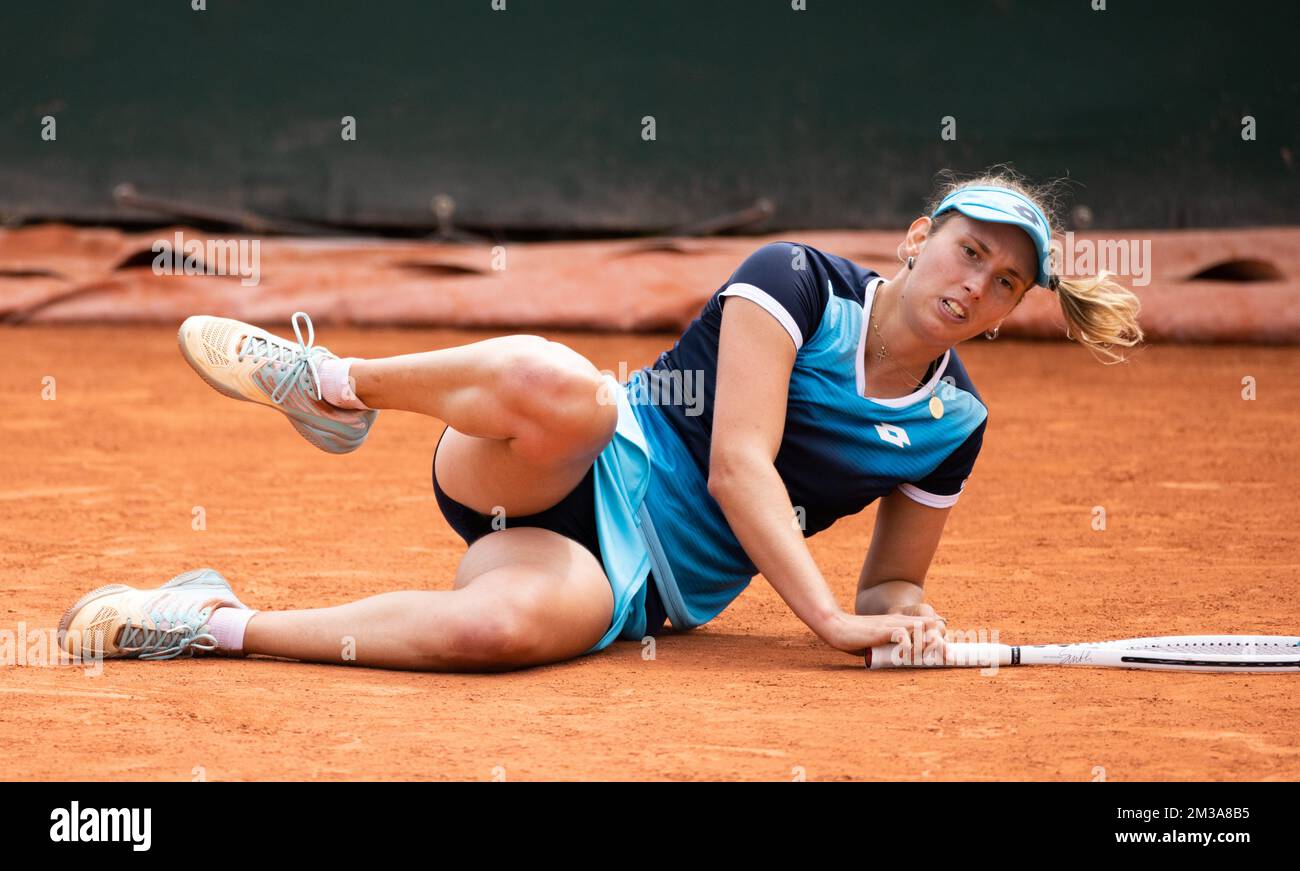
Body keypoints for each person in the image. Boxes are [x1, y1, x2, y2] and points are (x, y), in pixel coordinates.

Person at [57, 170, 1143, 671]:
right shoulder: (797, 280)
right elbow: (737, 466)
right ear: (916, 238)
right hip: (557, 455)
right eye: (966, 250)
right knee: (572, 388)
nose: (974, 283)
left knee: (495, 632)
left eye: (1004, 282)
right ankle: (333, 388)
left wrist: (904, 619)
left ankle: (205, 621)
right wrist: (826, 623)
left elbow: (890, 583)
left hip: (639, 582)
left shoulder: (954, 423)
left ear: (1006, 316)